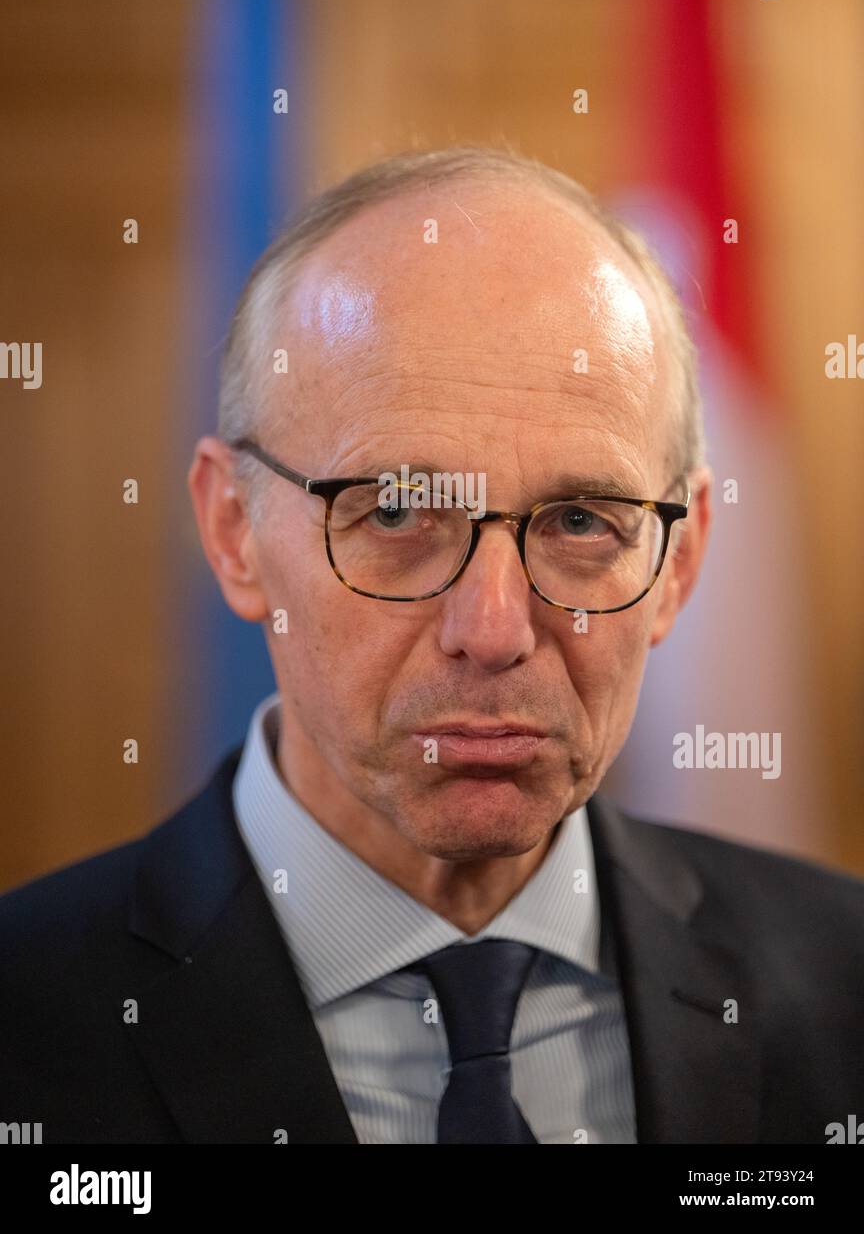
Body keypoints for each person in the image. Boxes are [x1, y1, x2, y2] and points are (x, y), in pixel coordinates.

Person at [2, 147, 862, 1145]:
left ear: (678, 561)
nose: (493, 633)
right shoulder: (29, 1021)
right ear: (235, 529)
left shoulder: (845, 984)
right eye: (401, 510)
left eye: (582, 521)